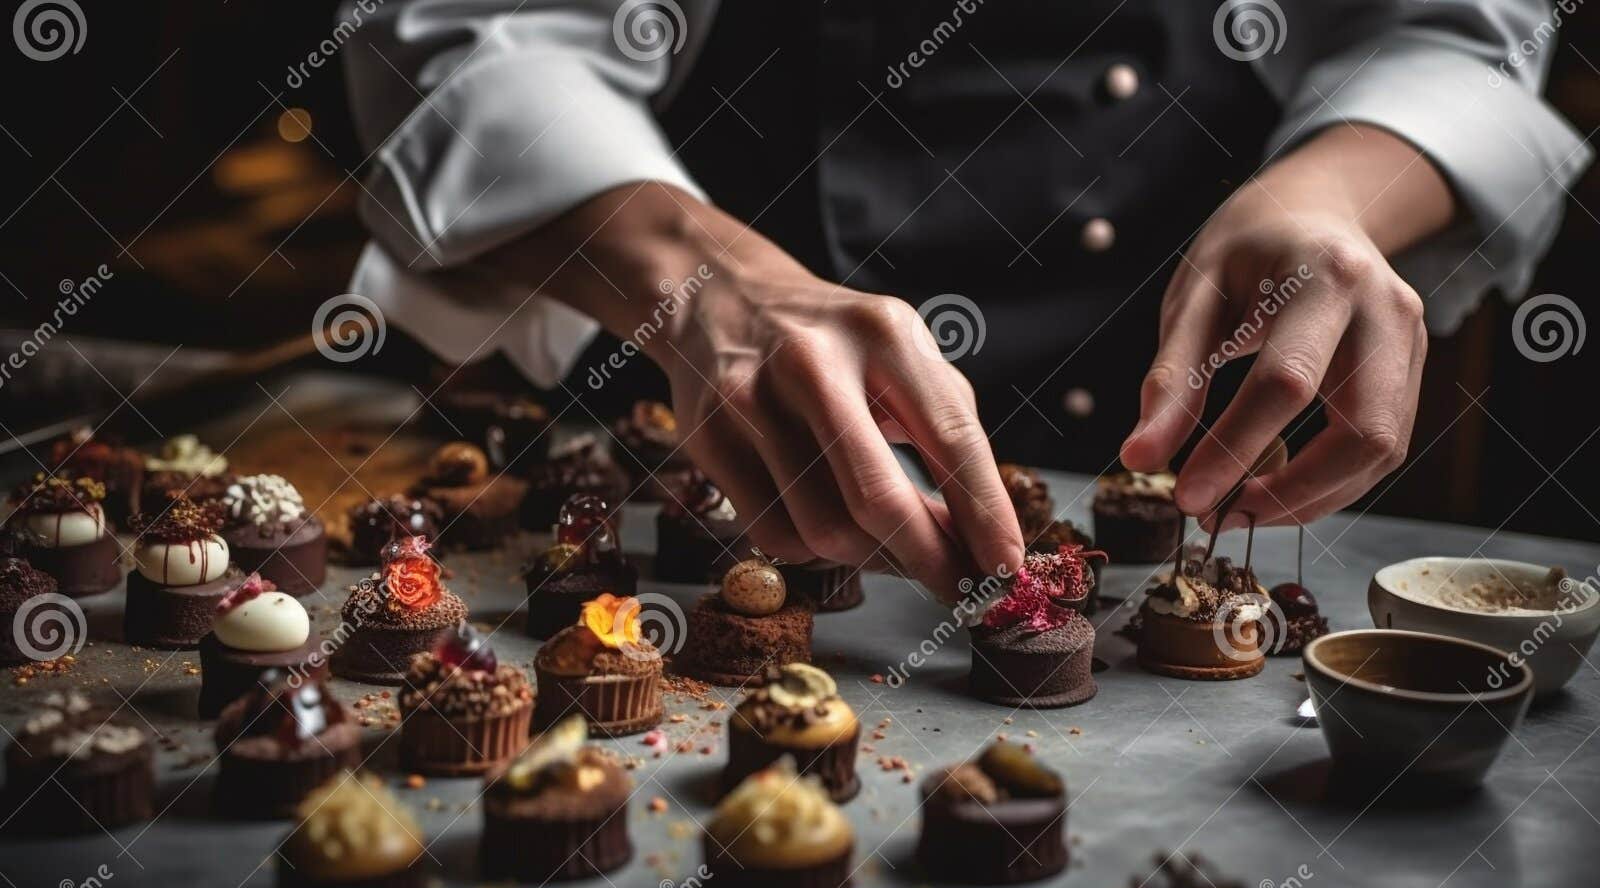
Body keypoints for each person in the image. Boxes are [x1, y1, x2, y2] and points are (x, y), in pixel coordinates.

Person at [342, 0, 1589, 599]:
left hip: (1172, 336)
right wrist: (697, 281)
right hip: (701, 450)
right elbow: (454, 41)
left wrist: (1332, 197)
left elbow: (1455, 33)